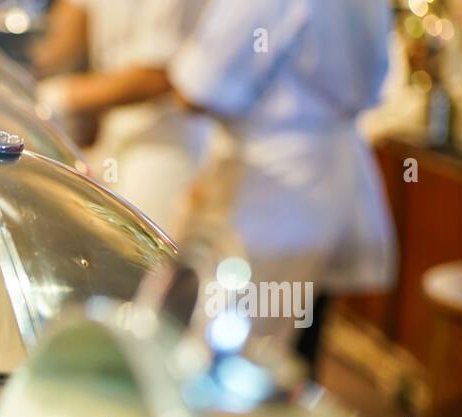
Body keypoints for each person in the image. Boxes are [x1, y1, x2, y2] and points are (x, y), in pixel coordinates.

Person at [167, 0, 397, 367]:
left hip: (273, 191)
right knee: (300, 343)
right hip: (328, 179)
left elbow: (198, 90)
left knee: (236, 355)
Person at [32, 0, 210, 234]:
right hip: (114, 131)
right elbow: (68, 27)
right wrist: (25, 65)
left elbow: (161, 74)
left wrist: (60, 95)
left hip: (166, 143)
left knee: (137, 250)